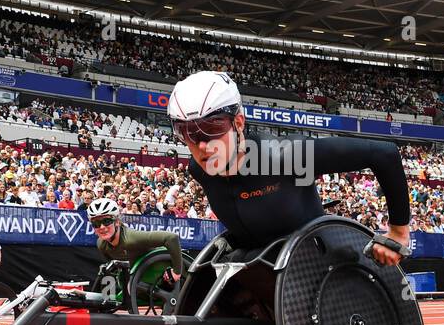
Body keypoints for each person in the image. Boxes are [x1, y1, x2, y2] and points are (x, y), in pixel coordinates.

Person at [167, 71, 410, 262]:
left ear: (238, 122)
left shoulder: (286, 155)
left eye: (212, 129)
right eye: (186, 133)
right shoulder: (198, 169)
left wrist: (398, 232)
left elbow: (384, 154)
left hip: (314, 266)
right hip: (256, 270)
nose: (202, 146)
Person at [88, 198, 183, 292]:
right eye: (96, 223)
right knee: (107, 277)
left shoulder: (131, 238)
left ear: (116, 222)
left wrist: (176, 272)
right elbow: (114, 269)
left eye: (106, 221)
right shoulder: (101, 244)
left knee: (130, 285)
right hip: (137, 274)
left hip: (159, 271)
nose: (102, 227)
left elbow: (171, 238)